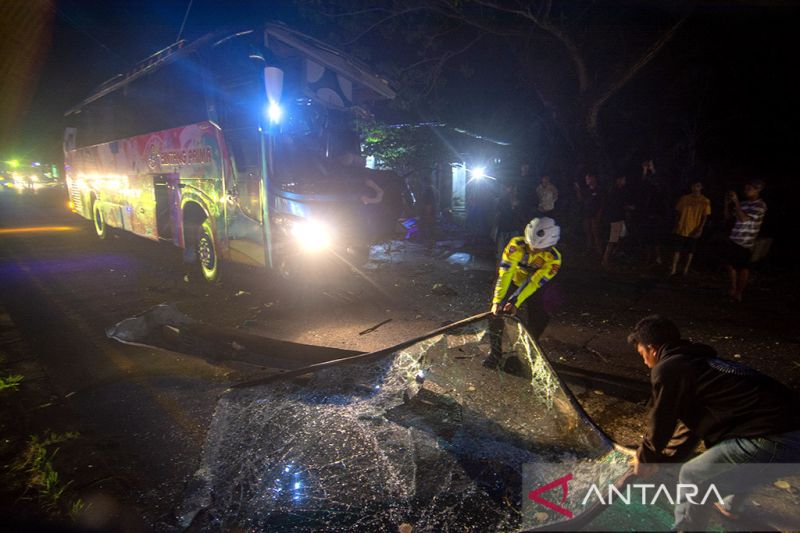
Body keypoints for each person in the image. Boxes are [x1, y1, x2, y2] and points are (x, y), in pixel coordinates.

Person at [628, 315, 800, 531]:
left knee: (693, 476)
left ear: (652, 349)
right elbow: (692, 427)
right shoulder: (696, 364)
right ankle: (730, 506)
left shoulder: (668, 368)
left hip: (777, 438)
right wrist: (660, 458)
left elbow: (662, 418)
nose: (644, 362)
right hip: (784, 431)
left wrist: (645, 458)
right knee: (729, 459)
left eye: (642, 354)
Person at [485, 217, 562, 369]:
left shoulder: (554, 259)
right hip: (514, 280)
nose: (532, 250)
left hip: (537, 287)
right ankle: (495, 353)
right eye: (530, 246)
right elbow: (505, 274)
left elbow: (533, 283)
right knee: (494, 316)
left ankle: (526, 353)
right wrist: (497, 301)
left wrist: (515, 302)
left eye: (538, 249)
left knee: (540, 319)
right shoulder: (516, 245)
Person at [722, 179, 766, 302]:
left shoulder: (760, 205)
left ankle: (738, 293)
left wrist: (736, 201)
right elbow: (728, 218)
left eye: (749, 189)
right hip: (734, 238)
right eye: (745, 188)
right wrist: (727, 204)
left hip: (745, 241)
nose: (746, 191)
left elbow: (743, 219)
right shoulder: (744, 203)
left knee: (742, 268)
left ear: (758, 190)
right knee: (729, 264)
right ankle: (733, 288)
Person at [670, 181, 711, 276]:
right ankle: (673, 269)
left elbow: (705, 216)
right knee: (677, 249)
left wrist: (700, 228)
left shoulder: (705, 200)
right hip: (682, 227)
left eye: (698, 186)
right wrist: (676, 225)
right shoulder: (684, 198)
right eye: (694, 186)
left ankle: (685, 269)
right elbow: (678, 213)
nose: (695, 188)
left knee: (690, 251)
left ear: (701, 187)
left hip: (694, 229)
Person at [601, 175, 632, 269]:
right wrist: (627, 207)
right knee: (613, 239)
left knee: (622, 237)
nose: (624, 181)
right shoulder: (615, 192)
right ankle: (605, 260)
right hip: (616, 219)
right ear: (618, 180)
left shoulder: (618, 191)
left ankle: (614, 253)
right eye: (623, 179)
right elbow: (617, 205)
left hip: (619, 218)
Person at [493, 179, 525, 259]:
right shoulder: (502, 200)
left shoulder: (518, 201)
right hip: (504, 229)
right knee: (500, 254)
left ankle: (508, 270)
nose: (512, 190)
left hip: (513, 229)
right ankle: (499, 270)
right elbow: (498, 213)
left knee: (512, 254)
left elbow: (520, 215)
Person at [574, 173, 603, 255]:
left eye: (588, 178)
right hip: (586, 214)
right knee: (588, 232)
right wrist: (578, 190)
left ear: (592, 178)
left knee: (595, 233)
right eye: (586, 178)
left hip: (595, 215)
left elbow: (602, 203)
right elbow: (580, 200)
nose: (586, 180)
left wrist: (599, 215)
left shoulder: (598, 189)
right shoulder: (586, 190)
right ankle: (589, 248)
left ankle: (599, 251)